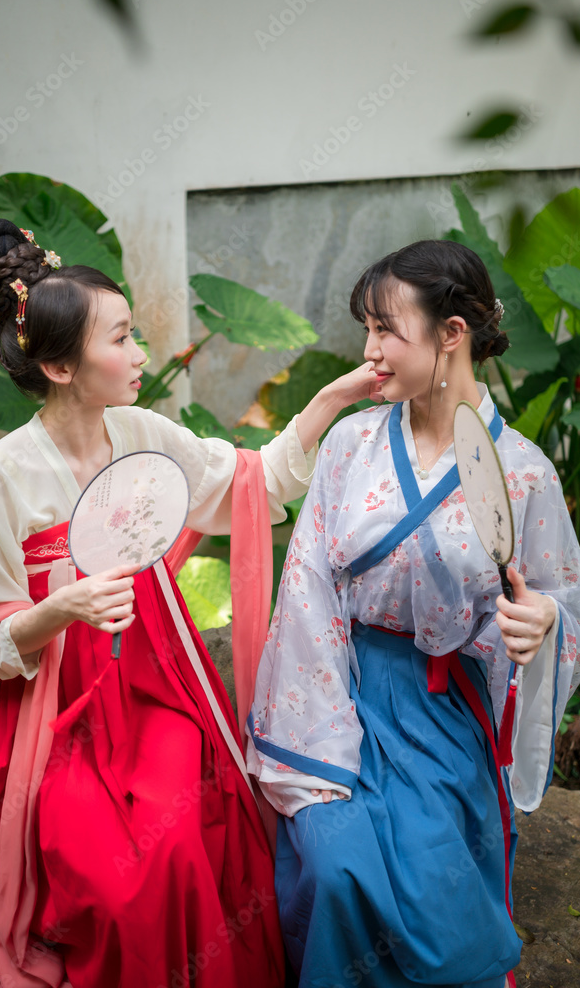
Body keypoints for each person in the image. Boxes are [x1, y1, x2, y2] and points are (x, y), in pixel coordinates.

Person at [0, 218, 384, 988]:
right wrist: (63, 607)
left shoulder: (142, 433)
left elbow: (246, 484)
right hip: (56, 709)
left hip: (156, 679)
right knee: (115, 876)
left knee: (183, 834)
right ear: (57, 365)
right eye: (119, 340)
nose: (141, 356)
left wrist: (328, 400)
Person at [247, 239, 580, 988]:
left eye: (384, 330)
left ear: (451, 334)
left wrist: (542, 627)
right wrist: (319, 736)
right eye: (365, 330)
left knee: (431, 890)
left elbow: (559, 601)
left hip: (440, 712)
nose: (368, 352)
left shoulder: (523, 473)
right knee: (333, 867)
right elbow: (305, 593)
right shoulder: (350, 443)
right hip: (339, 696)